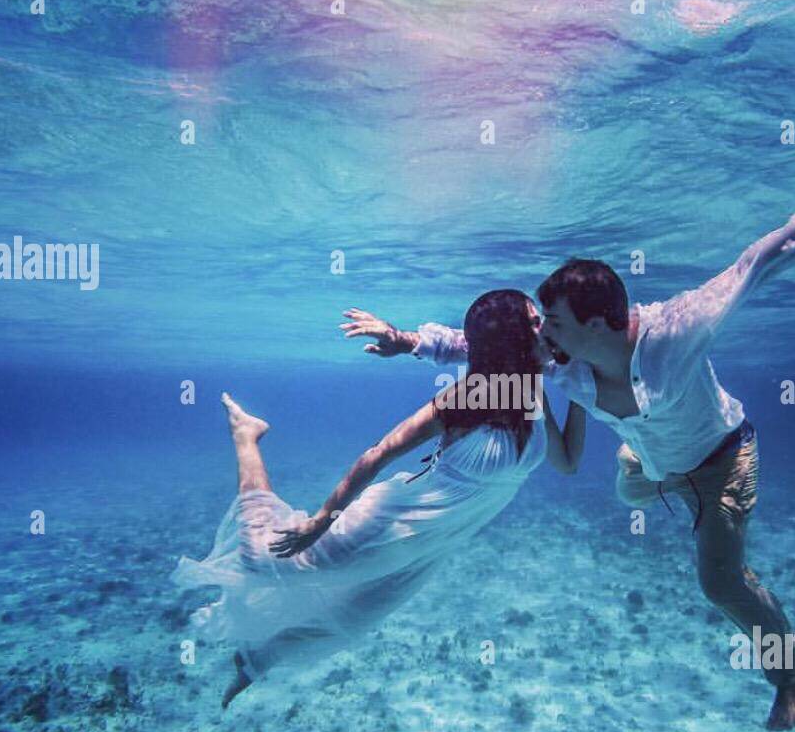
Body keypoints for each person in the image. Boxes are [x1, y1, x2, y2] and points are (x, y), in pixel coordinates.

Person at [339, 128, 795, 730]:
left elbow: (760, 258)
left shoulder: (677, 330)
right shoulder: (560, 357)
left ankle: (793, 669)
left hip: (721, 460)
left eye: (553, 324)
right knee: (629, 482)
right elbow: (482, 346)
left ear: (599, 324)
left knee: (719, 583)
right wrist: (407, 340)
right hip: (647, 463)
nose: (540, 338)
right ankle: (662, 484)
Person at [172, 289, 586, 707]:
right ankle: (247, 437)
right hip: (395, 521)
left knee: (355, 617)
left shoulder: (531, 389)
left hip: (440, 539)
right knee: (261, 558)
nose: (546, 328)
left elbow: (567, 460)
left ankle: (254, 661)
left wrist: (586, 395)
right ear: (511, 338)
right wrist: (321, 521)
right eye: (534, 322)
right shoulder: (477, 396)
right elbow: (379, 453)